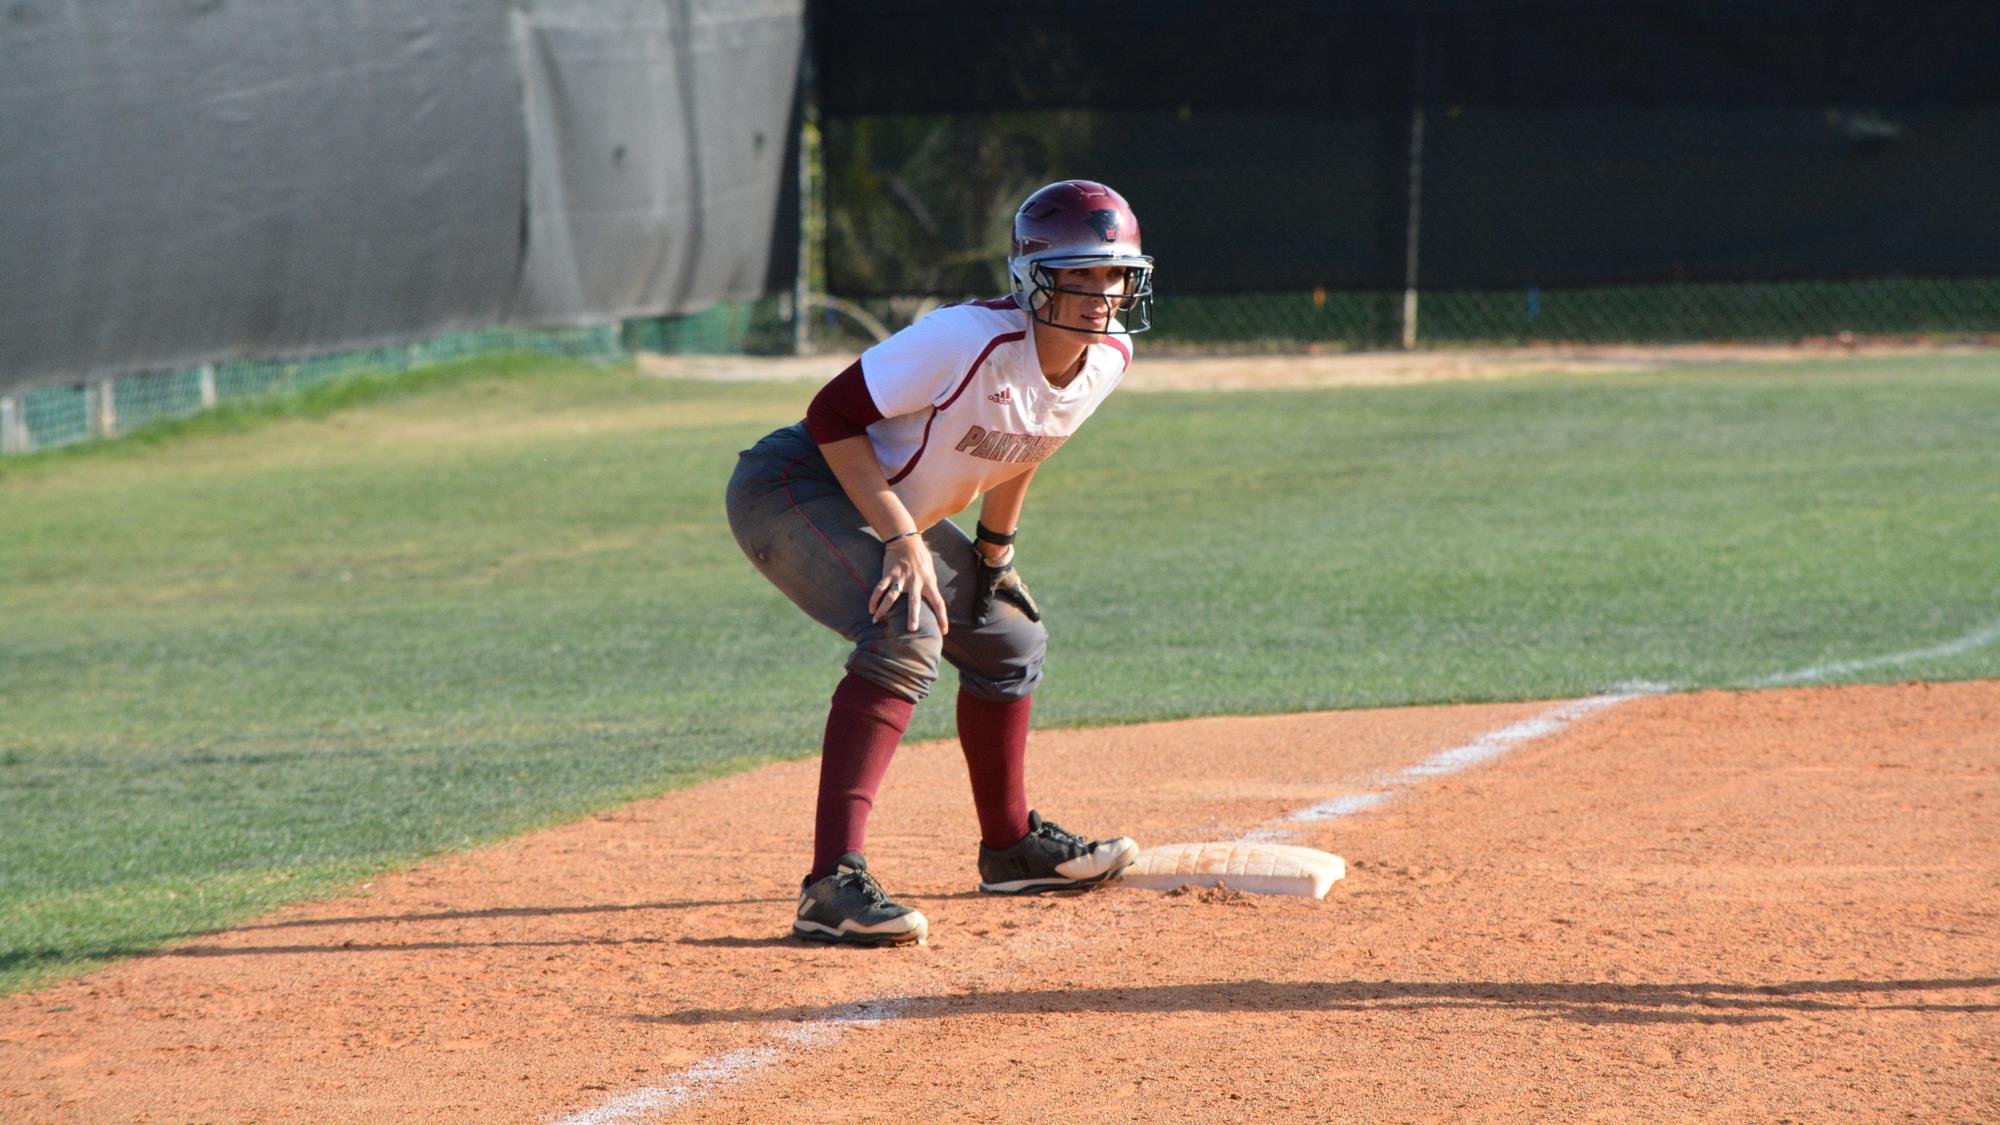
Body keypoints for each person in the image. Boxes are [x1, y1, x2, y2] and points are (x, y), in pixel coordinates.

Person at [725, 180, 1156, 946]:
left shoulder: (1106, 357)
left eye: (1115, 273)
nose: (1101, 293)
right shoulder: (965, 337)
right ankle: (831, 885)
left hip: (888, 508)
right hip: (793, 484)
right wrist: (899, 535)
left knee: (1009, 639)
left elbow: (1032, 436)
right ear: (1033, 274)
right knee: (907, 625)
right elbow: (831, 414)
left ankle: (1011, 846)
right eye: (1079, 272)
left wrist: (996, 551)